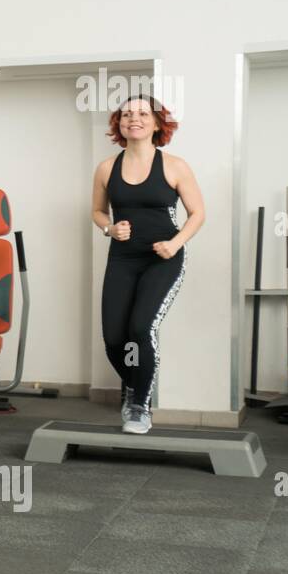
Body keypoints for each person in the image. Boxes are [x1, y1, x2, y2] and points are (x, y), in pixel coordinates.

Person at [91, 93, 203, 434]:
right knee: (115, 339)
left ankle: (139, 404)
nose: (133, 119)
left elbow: (198, 213)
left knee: (141, 329)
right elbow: (97, 211)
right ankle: (135, 382)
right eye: (126, 115)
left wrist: (175, 243)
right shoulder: (107, 168)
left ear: (157, 123)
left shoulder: (174, 166)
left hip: (162, 260)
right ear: (119, 125)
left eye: (142, 113)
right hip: (122, 259)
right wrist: (110, 228)